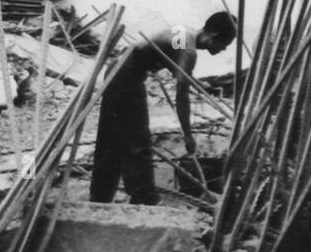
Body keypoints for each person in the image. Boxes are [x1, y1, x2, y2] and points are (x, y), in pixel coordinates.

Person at [89, 11, 237, 206]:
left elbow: (173, 62)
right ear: (214, 35)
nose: (224, 50)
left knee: (113, 137)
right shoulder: (188, 48)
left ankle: (100, 197)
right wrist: (187, 135)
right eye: (224, 44)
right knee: (138, 139)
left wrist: (189, 80)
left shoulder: (183, 33)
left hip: (119, 69)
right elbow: (181, 95)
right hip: (126, 75)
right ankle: (144, 199)